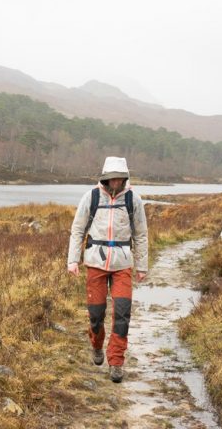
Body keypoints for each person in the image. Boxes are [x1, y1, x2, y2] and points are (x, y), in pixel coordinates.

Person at [67, 156, 148, 383]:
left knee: (122, 314)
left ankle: (116, 362)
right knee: (96, 315)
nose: (115, 182)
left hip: (123, 264)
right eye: (111, 178)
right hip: (95, 263)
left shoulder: (134, 200)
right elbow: (78, 230)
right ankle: (96, 345)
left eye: (119, 178)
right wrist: (72, 260)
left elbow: (141, 234)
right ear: (105, 178)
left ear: (124, 177)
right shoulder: (91, 197)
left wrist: (142, 266)